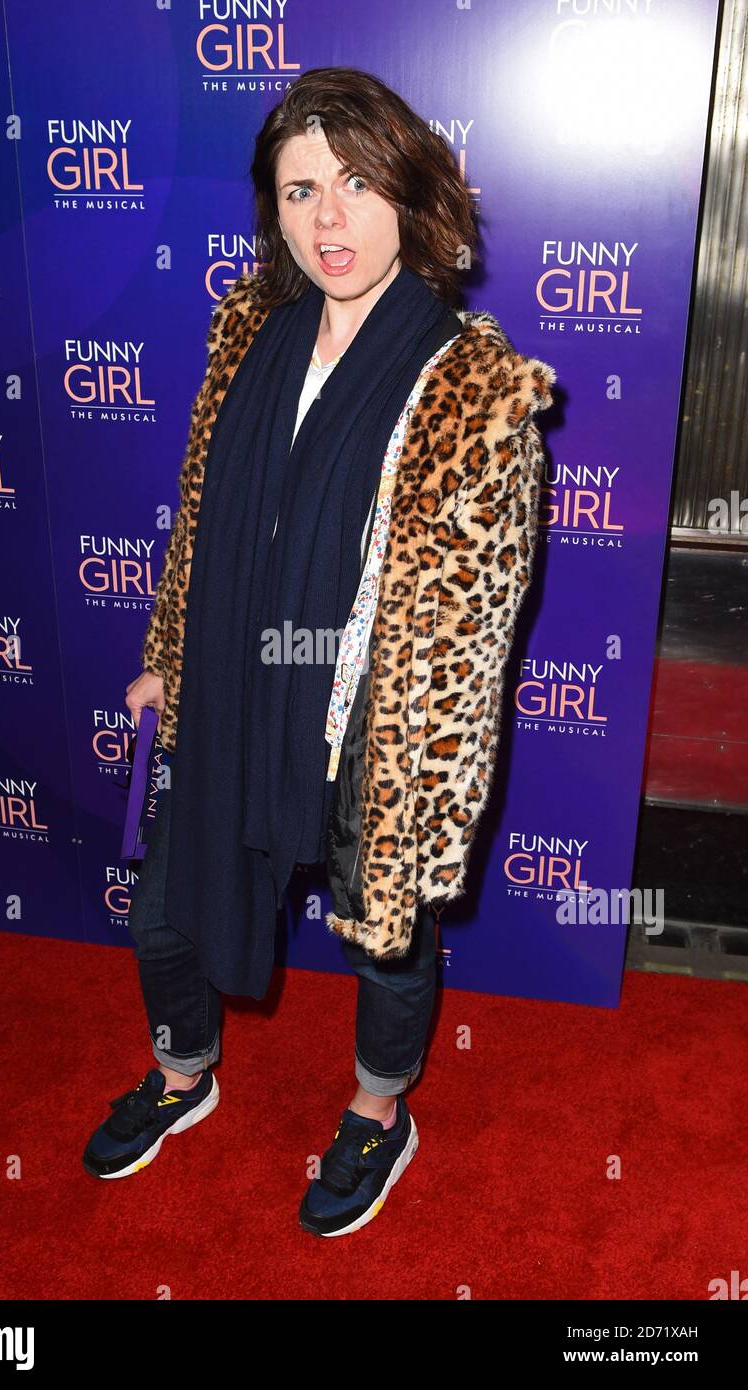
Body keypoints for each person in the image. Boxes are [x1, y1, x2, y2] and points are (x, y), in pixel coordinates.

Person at [83, 67, 557, 1238]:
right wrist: (167, 650)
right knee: (167, 908)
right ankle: (183, 1072)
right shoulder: (251, 330)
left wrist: (419, 778)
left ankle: (376, 1112)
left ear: (409, 191)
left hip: (374, 726)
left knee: (387, 939)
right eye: (301, 190)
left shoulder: (474, 385)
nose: (327, 219)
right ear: (274, 208)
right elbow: (203, 516)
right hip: (233, 688)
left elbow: (470, 626)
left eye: (354, 183)